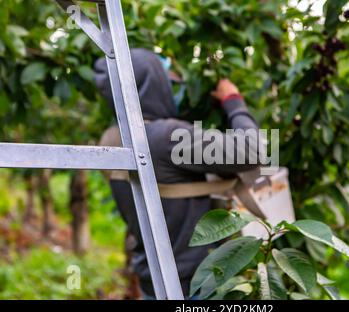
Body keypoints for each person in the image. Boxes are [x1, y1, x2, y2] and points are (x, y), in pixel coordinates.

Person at [94, 48, 262, 298]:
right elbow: (253, 151)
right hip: (193, 286)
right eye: (168, 83)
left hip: (153, 280)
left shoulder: (111, 138)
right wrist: (233, 101)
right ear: (154, 86)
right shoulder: (167, 137)